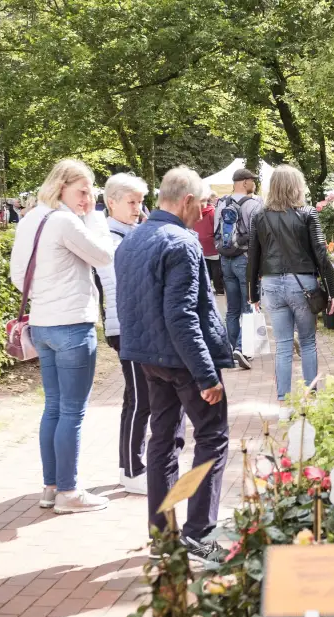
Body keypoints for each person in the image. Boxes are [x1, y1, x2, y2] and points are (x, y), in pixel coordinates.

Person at [115, 166, 232, 562]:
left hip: (148, 358)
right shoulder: (181, 243)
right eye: (201, 204)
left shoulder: (131, 240)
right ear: (185, 201)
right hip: (181, 360)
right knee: (212, 439)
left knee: (163, 442)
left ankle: (163, 537)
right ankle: (199, 535)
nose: (204, 213)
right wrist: (206, 374)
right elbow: (182, 315)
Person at [9, 159, 114, 514]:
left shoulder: (30, 219)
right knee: (72, 411)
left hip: (42, 324)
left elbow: (16, 275)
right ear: (61, 186)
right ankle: (69, 493)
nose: (88, 199)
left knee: (53, 407)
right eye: (82, 191)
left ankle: (51, 487)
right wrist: (95, 218)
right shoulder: (66, 221)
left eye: (91, 193)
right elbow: (104, 256)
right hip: (71, 324)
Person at [94, 173, 186, 496]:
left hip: (134, 326)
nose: (138, 208)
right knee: (140, 400)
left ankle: (129, 464)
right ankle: (132, 469)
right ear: (111, 202)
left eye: (141, 202)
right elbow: (121, 283)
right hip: (127, 327)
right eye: (131, 202)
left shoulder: (129, 232)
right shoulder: (109, 237)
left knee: (135, 398)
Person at [246, 165, 334, 403]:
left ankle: (283, 401)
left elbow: (253, 256)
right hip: (302, 284)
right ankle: (312, 398)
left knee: (283, 346)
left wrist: (252, 294)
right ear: (297, 186)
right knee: (307, 342)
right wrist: (333, 290)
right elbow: (321, 253)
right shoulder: (307, 213)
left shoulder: (259, 216)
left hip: (272, 284)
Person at [214, 168, 263, 370]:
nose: (254, 183)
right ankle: (242, 348)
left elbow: (215, 231)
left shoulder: (220, 203)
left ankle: (231, 349)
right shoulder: (253, 204)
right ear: (244, 182)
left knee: (232, 309)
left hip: (225, 259)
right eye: (252, 180)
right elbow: (258, 235)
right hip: (245, 259)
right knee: (249, 305)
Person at [193, 192, 225, 294]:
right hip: (212, 242)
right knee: (216, 267)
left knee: (205, 267)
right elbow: (217, 228)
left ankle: (206, 288)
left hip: (200, 242)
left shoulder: (196, 213)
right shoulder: (213, 212)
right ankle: (219, 289)